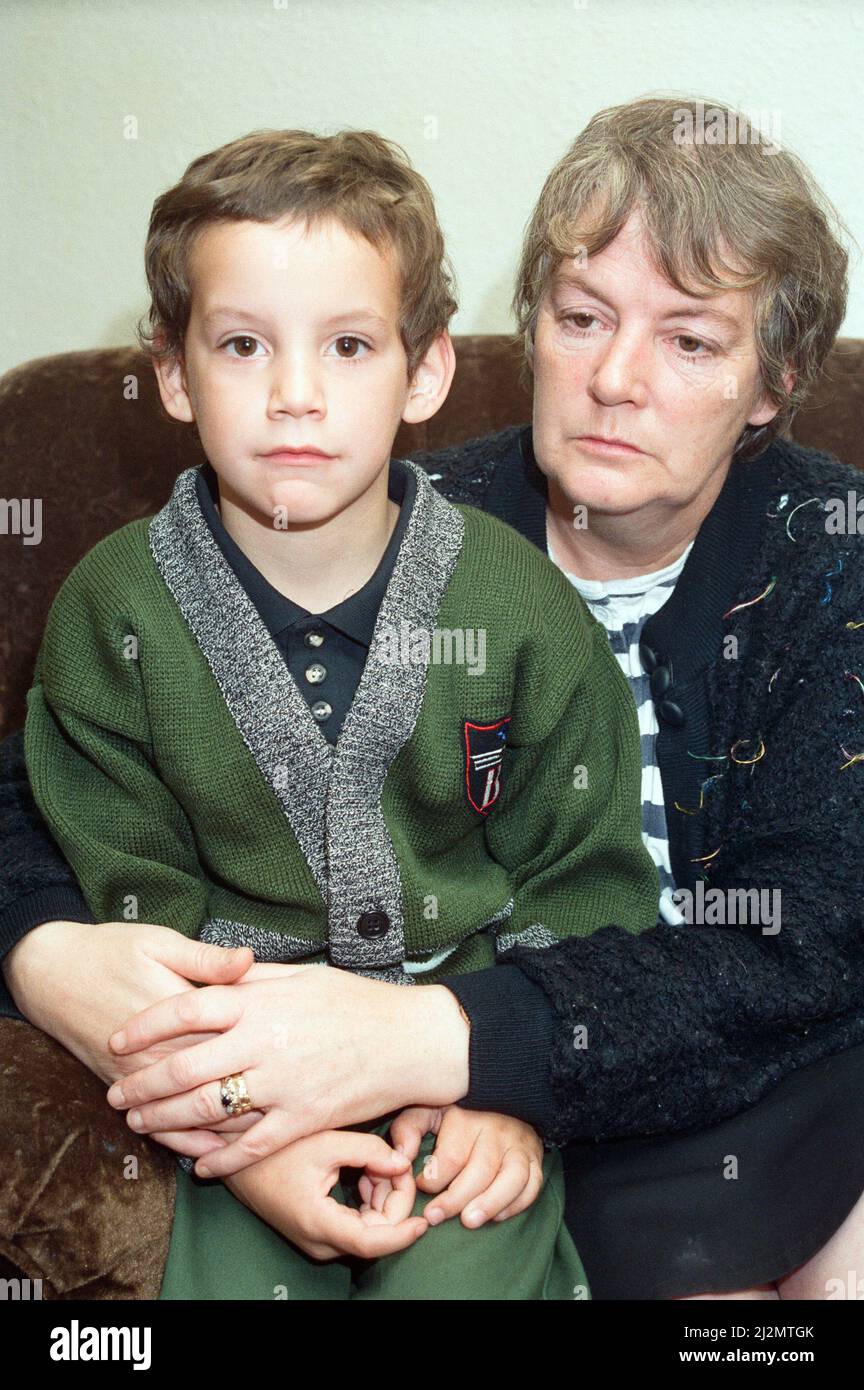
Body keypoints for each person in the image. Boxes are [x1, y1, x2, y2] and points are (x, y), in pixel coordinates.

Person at [3, 94, 864, 1300]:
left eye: (690, 340)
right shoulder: (382, 508)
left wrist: (471, 1053)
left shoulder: (831, 555)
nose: (615, 378)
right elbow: (46, 787)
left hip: (758, 1065)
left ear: (772, 382)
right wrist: (50, 956)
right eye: (581, 318)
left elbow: (819, 929)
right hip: (482, 1097)